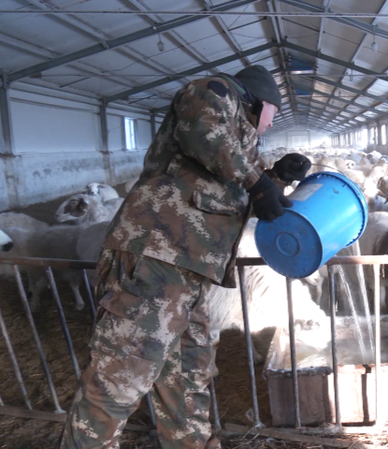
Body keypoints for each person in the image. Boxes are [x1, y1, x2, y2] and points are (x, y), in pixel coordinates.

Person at [59, 65, 310, 448]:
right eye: (274, 114)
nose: (272, 124)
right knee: (121, 378)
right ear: (261, 102)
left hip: (191, 272)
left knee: (188, 377)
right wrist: (258, 181)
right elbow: (204, 136)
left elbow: (236, 191)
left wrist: (276, 177)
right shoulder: (214, 91)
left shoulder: (239, 139)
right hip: (157, 259)